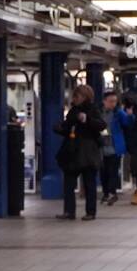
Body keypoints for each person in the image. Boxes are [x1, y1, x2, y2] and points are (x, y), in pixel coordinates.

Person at [53, 84, 106, 221]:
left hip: (88, 152)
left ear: (84, 97)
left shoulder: (93, 109)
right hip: (73, 152)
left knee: (89, 183)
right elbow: (67, 127)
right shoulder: (73, 111)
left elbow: (101, 125)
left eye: (76, 96)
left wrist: (87, 119)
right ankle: (69, 211)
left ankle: (90, 212)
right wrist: (58, 128)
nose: (74, 99)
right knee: (69, 183)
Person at [100, 90, 125, 206]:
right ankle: (106, 193)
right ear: (104, 101)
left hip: (115, 147)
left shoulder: (119, 113)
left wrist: (128, 115)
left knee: (113, 171)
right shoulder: (99, 113)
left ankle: (112, 193)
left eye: (115, 101)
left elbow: (127, 123)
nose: (113, 104)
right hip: (102, 146)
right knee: (103, 171)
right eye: (110, 101)